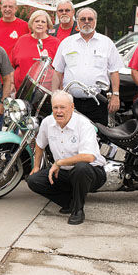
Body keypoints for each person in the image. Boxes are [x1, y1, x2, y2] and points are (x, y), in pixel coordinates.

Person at [26, 90, 107, 225]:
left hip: (91, 172)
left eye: (62, 107)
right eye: (55, 107)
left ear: (72, 107)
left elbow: (89, 157)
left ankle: (78, 211)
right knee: (33, 180)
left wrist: (59, 162)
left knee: (80, 168)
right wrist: (36, 166)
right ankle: (70, 202)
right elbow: (39, 144)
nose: (59, 111)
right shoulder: (47, 122)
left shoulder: (83, 124)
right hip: (64, 172)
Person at [51, 8, 124, 126]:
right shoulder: (66, 43)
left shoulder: (106, 43)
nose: (86, 22)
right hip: (71, 102)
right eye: (83, 19)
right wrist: (54, 97)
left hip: (98, 102)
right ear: (77, 21)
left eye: (90, 19)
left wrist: (116, 95)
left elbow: (114, 72)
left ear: (95, 21)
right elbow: (57, 72)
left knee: (97, 138)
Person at [10, 10, 62, 89]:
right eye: (36, 21)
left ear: (48, 25)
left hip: (46, 91)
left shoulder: (55, 43)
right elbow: (11, 65)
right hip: (21, 89)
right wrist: (12, 83)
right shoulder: (22, 40)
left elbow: (60, 69)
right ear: (31, 24)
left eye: (43, 22)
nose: (40, 24)